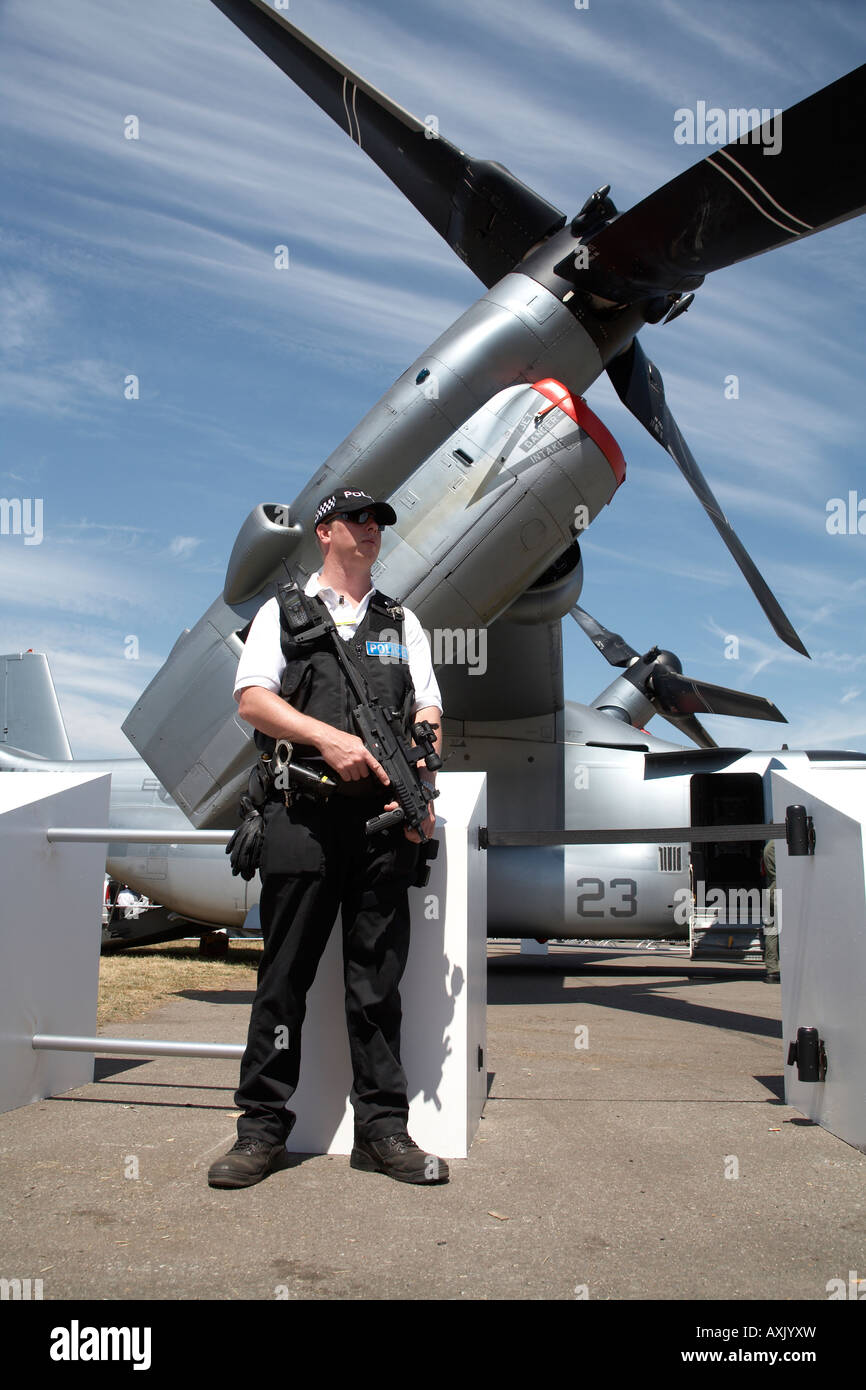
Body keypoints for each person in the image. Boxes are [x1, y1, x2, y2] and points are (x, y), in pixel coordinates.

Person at [208, 488, 448, 1188]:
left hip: (381, 823)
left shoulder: (402, 621)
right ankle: (259, 1130)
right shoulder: (282, 613)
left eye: (379, 523)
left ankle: (381, 1130)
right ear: (325, 532)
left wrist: (423, 766)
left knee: (376, 984)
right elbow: (253, 699)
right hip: (303, 816)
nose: (372, 531)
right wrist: (327, 739)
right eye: (359, 520)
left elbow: (428, 704)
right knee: (283, 980)